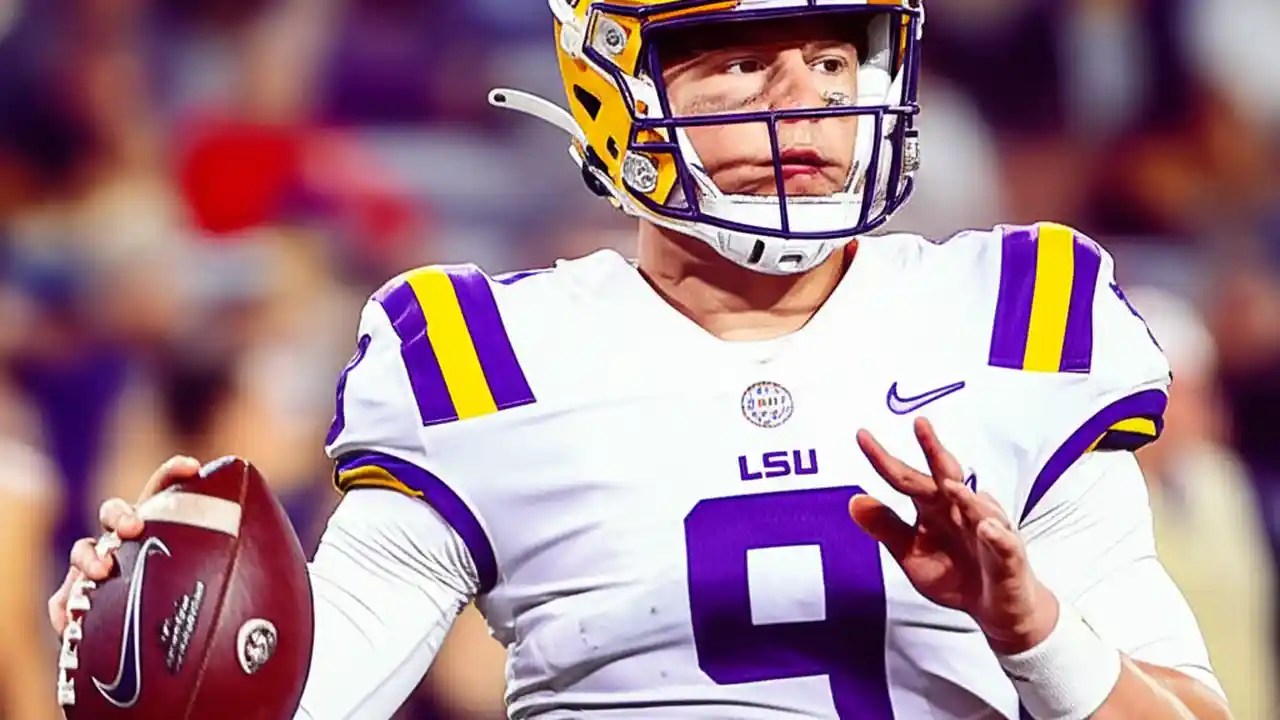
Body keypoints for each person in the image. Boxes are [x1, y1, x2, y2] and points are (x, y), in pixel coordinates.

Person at [50, 1, 1231, 718]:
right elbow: (295, 698)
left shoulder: (1017, 319)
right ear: (613, 86)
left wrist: (1032, 628)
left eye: (831, 57)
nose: (803, 104)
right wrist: (155, 664)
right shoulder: (479, 360)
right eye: (738, 59)